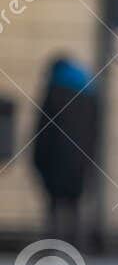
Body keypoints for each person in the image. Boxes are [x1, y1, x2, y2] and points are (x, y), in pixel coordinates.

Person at [31, 55, 100, 247]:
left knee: (53, 208)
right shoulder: (90, 95)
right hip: (80, 164)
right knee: (74, 207)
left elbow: (42, 131)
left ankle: (50, 249)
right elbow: (95, 133)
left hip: (53, 162)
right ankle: (75, 248)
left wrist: (37, 161)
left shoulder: (53, 92)